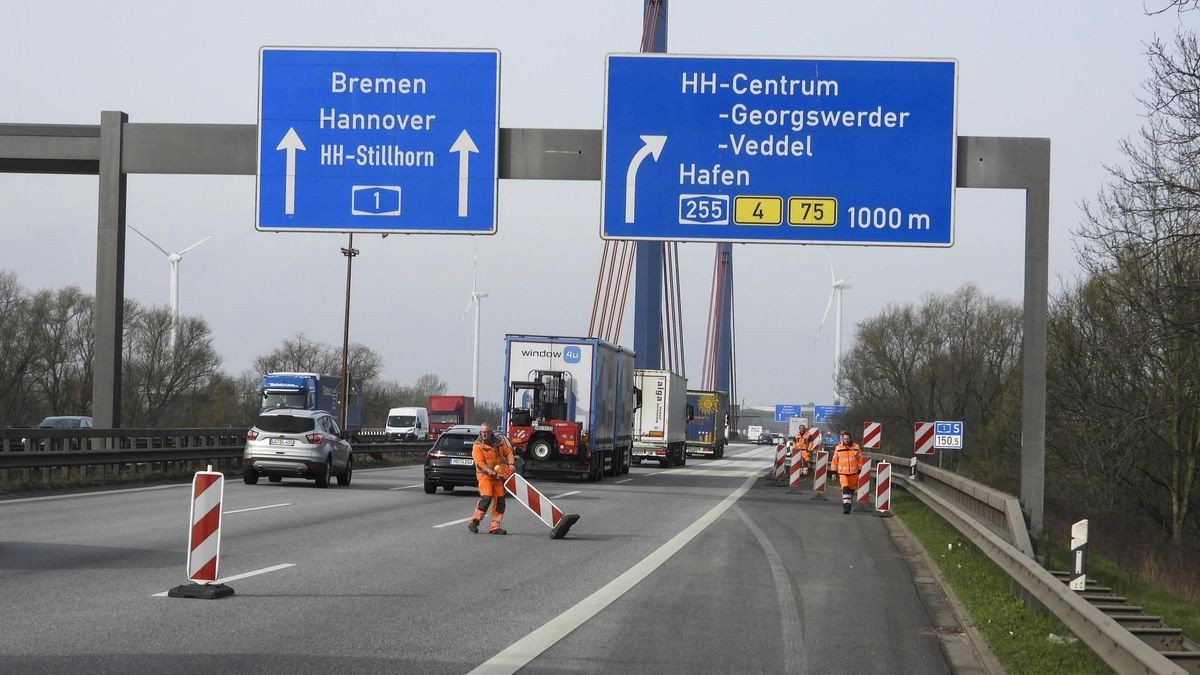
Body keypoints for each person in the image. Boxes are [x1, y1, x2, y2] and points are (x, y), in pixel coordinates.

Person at [467, 423, 515, 535]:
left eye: (487, 432)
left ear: (491, 432)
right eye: (483, 432)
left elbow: (509, 452)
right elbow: (480, 464)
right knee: (486, 498)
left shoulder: (498, 442)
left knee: (500, 501)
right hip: (485, 476)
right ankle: (474, 521)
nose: (485, 434)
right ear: (480, 432)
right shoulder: (477, 446)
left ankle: (495, 527)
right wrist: (492, 473)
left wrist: (511, 464)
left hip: (498, 476)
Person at [830, 430, 865, 514]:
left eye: (848, 438)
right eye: (845, 438)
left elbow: (860, 459)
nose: (846, 440)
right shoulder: (838, 448)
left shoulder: (856, 447)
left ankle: (848, 503)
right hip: (843, 473)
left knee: (851, 491)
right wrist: (833, 472)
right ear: (842, 439)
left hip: (854, 472)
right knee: (845, 489)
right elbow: (834, 460)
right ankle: (846, 507)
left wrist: (859, 469)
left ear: (850, 438)